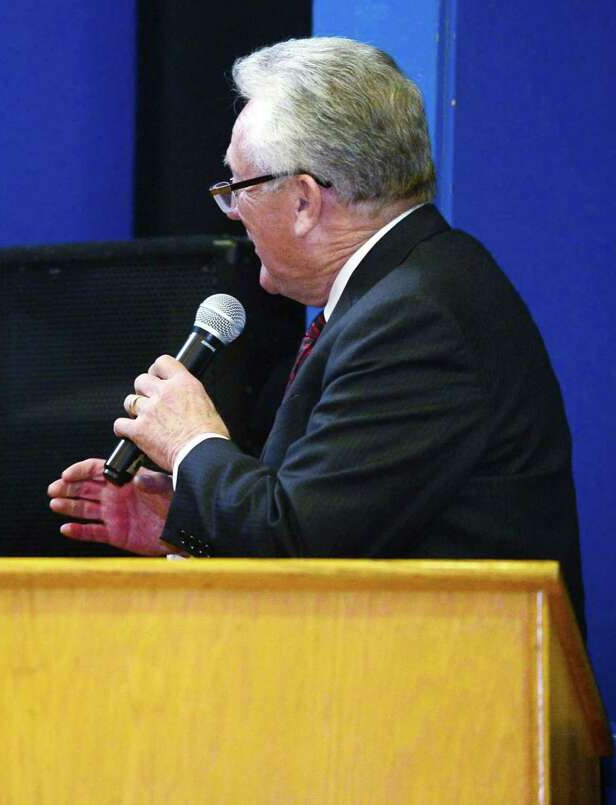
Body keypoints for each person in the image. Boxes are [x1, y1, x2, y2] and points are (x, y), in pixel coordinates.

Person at [47, 37, 586, 629]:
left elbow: (303, 545)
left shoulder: (415, 320)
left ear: (303, 200)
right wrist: (189, 516)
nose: (232, 214)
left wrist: (190, 443)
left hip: (448, 703)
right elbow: (332, 524)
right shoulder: (411, 287)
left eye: (237, 189)